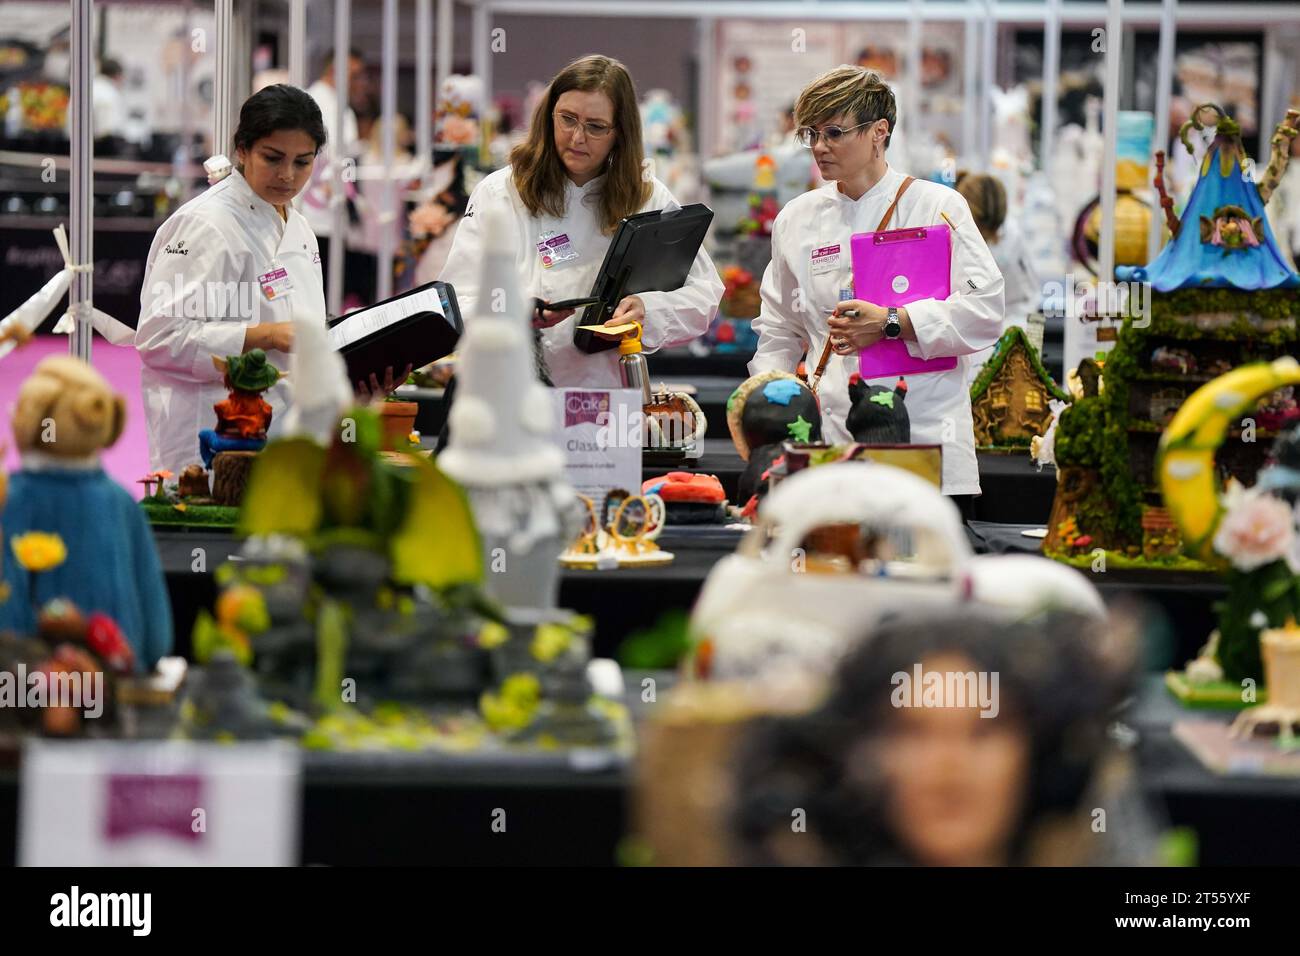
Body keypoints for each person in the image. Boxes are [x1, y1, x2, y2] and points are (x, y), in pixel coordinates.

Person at [749, 66, 1004, 506]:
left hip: (926, 442)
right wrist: (766, 411)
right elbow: (778, 330)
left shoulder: (937, 206)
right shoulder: (796, 218)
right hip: (827, 445)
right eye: (810, 133)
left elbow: (984, 311)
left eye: (833, 132)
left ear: (879, 132)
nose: (819, 147)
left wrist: (893, 322)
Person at [438, 54, 723, 387]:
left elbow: (704, 295)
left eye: (595, 127)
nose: (577, 138)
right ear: (548, 116)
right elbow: (455, 301)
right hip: (509, 392)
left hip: (603, 398)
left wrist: (649, 309)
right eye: (567, 119)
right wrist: (517, 310)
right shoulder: (500, 192)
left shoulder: (647, 197)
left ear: (621, 132)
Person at [135, 84, 327, 476]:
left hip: (282, 431)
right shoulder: (205, 224)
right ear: (242, 149)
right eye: (273, 158)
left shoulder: (298, 225)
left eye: (302, 162)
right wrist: (264, 335)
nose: (288, 175)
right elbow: (160, 338)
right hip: (207, 434)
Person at [305, 48, 377, 308]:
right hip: (318, 218)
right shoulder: (321, 105)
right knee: (322, 294)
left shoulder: (337, 106)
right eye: (355, 75)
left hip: (329, 216)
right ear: (335, 72)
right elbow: (331, 163)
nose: (361, 83)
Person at [955, 171, 1041, 381]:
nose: (990, 239)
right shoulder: (951, 232)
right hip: (963, 340)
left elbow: (1031, 304)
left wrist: (1027, 353)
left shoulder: (1012, 240)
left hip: (1010, 328)